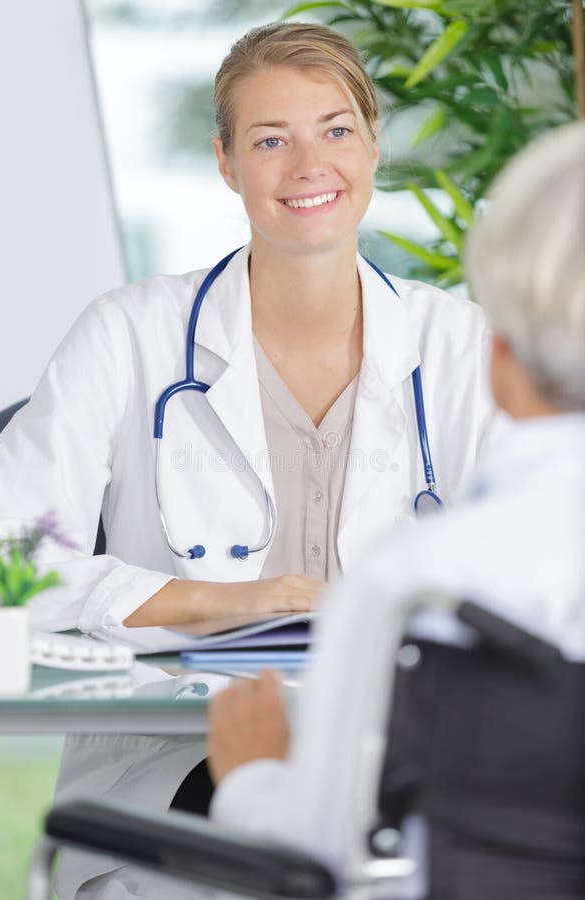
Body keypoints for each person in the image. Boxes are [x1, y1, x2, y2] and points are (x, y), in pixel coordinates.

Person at [0, 22, 498, 899]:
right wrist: (228, 604)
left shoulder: (460, 347)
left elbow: (537, 563)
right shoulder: (129, 333)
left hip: (401, 750)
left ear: (373, 146)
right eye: (271, 140)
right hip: (186, 760)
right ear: (226, 162)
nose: (310, 165)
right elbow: (7, 560)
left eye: (336, 131)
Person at [206, 121, 585, 899]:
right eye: (270, 140)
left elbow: (317, 862)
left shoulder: (417, 584)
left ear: (502, 361)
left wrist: (250, 774)